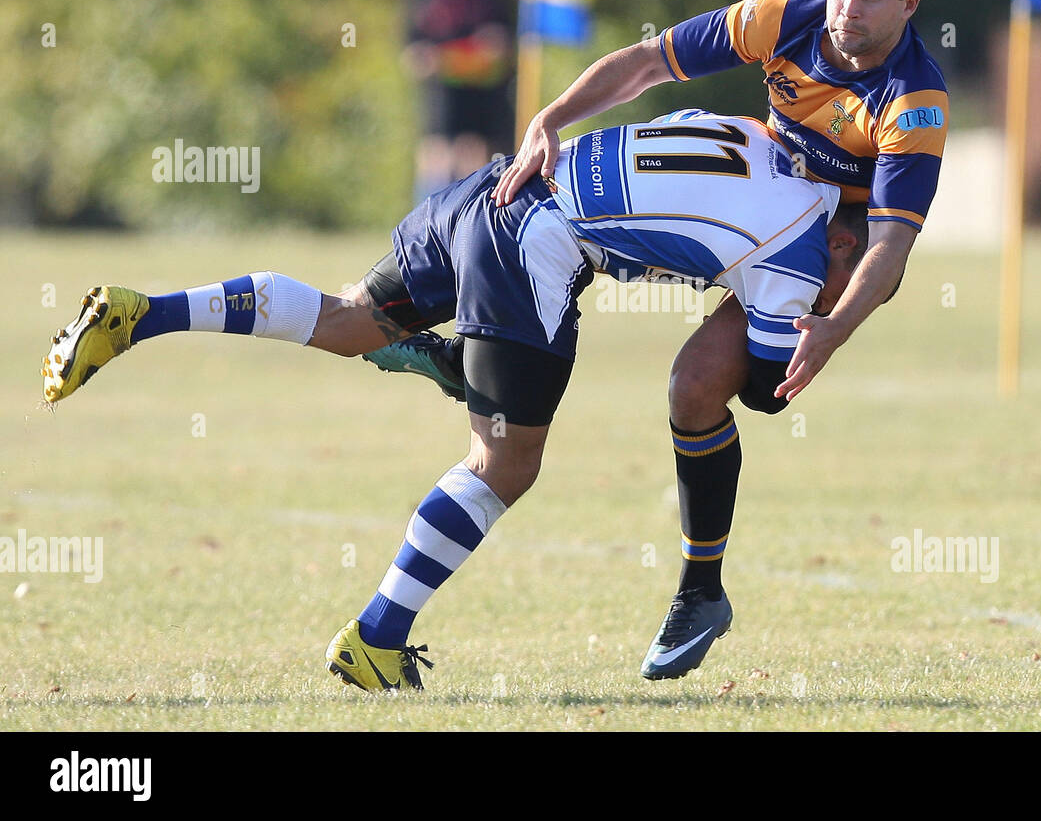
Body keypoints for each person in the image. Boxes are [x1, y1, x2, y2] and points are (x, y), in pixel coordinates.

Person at [40, 110, 869, 690]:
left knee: (347, 320)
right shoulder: (802, 257)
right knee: (505, 463)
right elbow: (763, 391)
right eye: (847, 281)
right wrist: (800, 325)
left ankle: (145, 314)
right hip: (534, 250)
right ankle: (378, 638)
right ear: (843, 240)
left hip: (495, 190)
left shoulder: (753, 141)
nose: (831, 300)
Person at [401, 0, 950, 678]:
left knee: (707, 391)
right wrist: (553, 119)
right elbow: (647, 64)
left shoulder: (913, 100)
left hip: (833, 250)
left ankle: (699, 590)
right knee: (605, 226)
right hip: (753, 200)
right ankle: (482, 356)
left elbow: (891, 242)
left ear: (909, 5)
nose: (847, 9)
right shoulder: (777, 19)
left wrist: (838, 327)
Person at [404, 0, 512, 202]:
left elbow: (506, 47)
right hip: (442, 101)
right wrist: (436, 61)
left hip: (485, 101)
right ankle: (426, 228)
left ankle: (472, 225)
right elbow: (411, 56)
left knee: (476, 159)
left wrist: (490, 50)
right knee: (437, 158)